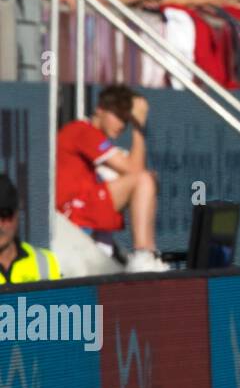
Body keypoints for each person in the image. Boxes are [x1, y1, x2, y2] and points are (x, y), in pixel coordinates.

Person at [56, 84, 167, 272]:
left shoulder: (92, 136)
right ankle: (143, 255)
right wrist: (138, 127)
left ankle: (146, 254)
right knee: (143, 180)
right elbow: (136, 172)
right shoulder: (83, 130)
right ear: (100, 110)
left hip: (83, 210)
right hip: (70, 212)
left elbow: (134, 171)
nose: (122, 124)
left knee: (144, 180)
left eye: (126, 119)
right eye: (118, 116)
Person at [0, 175, 61, 284]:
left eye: (5, 214)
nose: (0, 225)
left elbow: (59, 300)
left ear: (16, 215)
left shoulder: (45, 261)